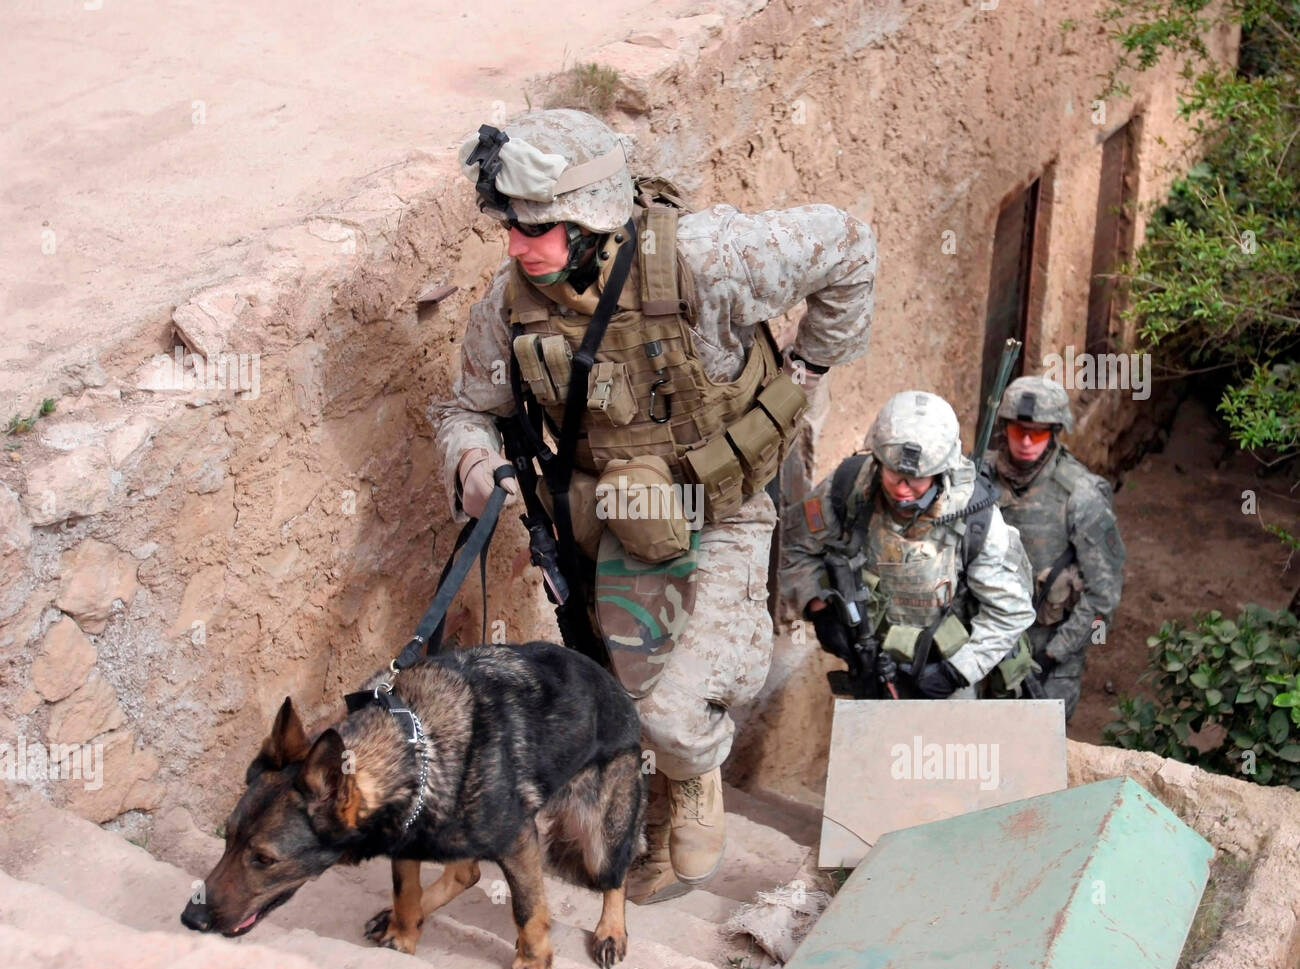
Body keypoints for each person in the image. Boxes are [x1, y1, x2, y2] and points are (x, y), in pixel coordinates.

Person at [432, 109, 876, 903]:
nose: (517, 247)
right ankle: (658, 798)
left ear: (596, 224)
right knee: (621, 691)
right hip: (612, 525)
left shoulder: (709, 259)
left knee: (673, 710)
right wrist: (475, 460)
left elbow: (848, 243)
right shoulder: (508, 308)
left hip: (727, 502)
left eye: (539, 229)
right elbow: (465, 409)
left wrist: (810, 365)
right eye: (510, 228)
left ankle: (695, 768)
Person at [782, 390, 1035, 699]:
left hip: (946, 670)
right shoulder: (849, 486)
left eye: (916, 479)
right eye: (893, 473)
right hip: (871, 662)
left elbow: (1011, 611)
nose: (902, 488)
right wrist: (818, 606)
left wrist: (955, 673)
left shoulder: (977, 519)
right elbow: (794, 547)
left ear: (940, 472)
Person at [985, 375, 1126, 718]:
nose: (1028, 441)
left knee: (1038, 756)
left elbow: (1103, 595)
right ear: (1005, 429)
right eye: (1019, 431)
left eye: (1040, 432)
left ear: (1054, 433)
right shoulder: (977, 478)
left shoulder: (1080, 495)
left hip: (1046, 657)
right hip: (984, 644)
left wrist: (1053, 656)